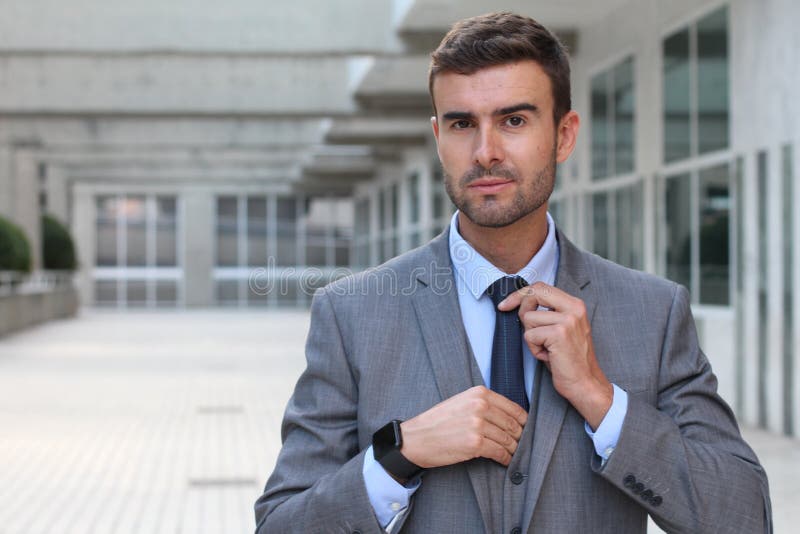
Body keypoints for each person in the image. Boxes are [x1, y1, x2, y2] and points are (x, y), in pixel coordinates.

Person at [255, 11, 771, 534]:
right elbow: (280, 524)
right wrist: (398, 455)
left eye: (514, 121)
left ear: (564, 136)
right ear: (438, 137)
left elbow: (746, 518)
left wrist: (601, 399)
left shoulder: (653, 313)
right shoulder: (352, 314)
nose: (485, 153)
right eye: (462, 124)